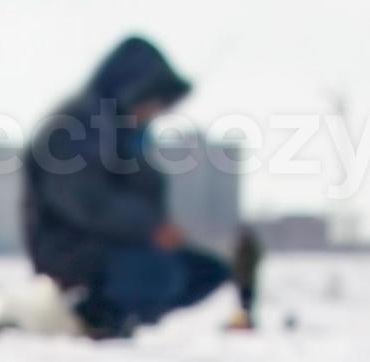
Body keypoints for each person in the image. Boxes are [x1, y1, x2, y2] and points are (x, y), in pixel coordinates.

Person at [22, 36, 231, 339]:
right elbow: (86, 202)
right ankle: (89, 313)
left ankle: (120, 316)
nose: (154, 112)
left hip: (120, 246)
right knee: (158, 273)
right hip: (71, 250)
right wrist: (149, 229)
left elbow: (147, 196)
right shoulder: (75, 123)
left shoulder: (123, 131)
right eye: (152, 101)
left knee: (205, 271)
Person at [229, 224, 265, 331]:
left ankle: (246, 322)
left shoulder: (249, 249)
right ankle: (244, 322)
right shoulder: (242, 249)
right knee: (244, 304)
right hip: (243, 281)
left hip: (247, 281)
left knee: (247, 303)